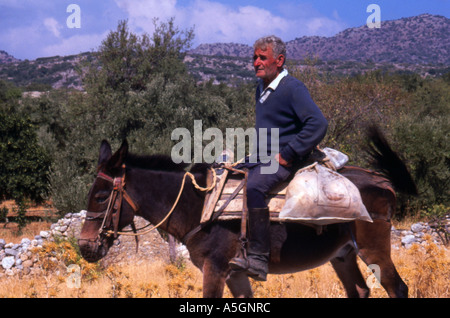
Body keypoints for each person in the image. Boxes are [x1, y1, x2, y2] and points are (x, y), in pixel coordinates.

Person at [229, 35, 328, 281]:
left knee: (254, 187)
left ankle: (259, 258)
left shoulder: (292, 88)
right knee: (226, 175)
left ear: (279, 60)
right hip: (263, 157)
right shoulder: (261, 89)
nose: (256, 63)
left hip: (287, 160)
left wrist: (288, 154)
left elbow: (318, 123)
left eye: (263, 58)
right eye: (254, 58)